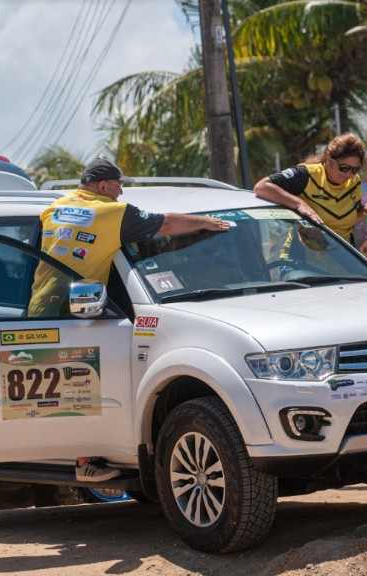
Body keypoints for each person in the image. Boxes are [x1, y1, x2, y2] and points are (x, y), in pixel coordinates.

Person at [34, 157, 231, 482]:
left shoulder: (54, 207)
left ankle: (59, 455)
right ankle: (84, 461)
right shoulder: (111, 213)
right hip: (76, 314)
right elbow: (165, 224)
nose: (121, 192)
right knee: (78, 388)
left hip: (39, 309)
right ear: (102, 187)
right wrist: (205, 222)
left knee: (48, 393)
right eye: (117, 186)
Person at [253, 132, 367, 244]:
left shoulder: (354, 182)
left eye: (355, 169)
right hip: (303, 260)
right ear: (329, 158)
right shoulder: (306, 175)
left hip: (342, 261)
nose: (349, 174)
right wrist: (300, 204)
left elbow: (346, 215)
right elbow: (262, 187)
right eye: (344, 168)